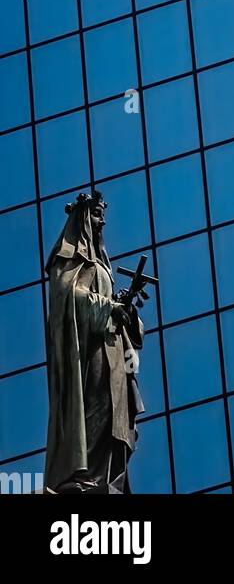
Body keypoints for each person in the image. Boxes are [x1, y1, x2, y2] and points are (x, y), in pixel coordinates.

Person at [44, 191, 144, 494]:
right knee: (95, 404)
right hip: (90, 351)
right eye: (98, 214)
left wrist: (124, 309)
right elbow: (66, 296)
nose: (103, 221)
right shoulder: (68, 259)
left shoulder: (102, 266)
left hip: (114, 348)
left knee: (115, 413)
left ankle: (105, 477)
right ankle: (82, 472)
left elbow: (112, 307)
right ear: (84, 218)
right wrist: (106, 307)